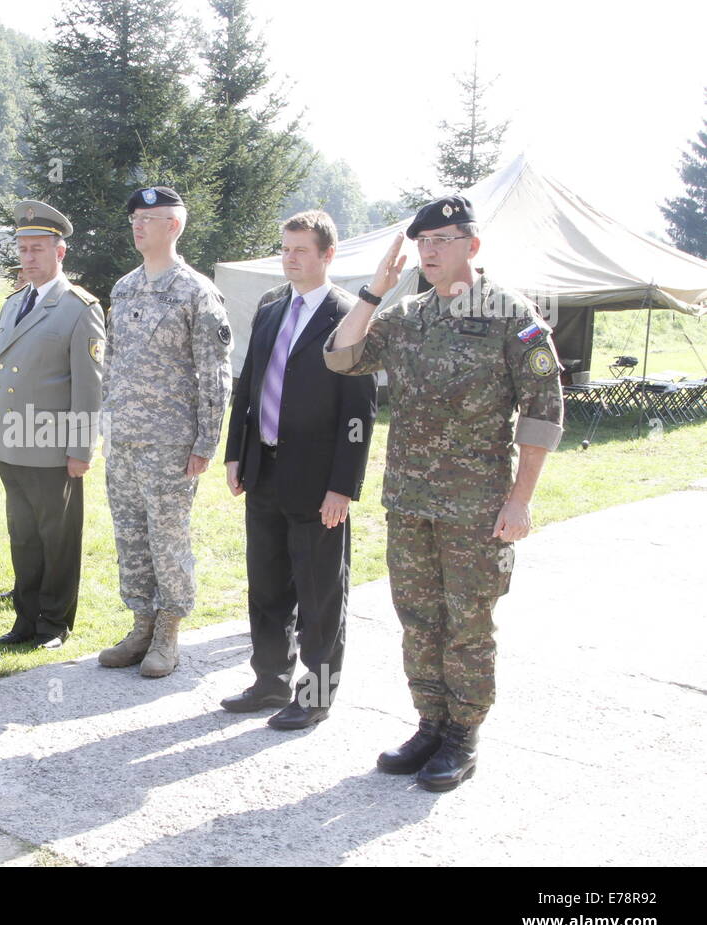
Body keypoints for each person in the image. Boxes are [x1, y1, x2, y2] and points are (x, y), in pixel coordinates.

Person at [324, 194, 564, 791]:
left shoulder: (513, 316)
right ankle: (430, 722)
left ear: (472, 246)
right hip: (409, 500)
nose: (430, 252)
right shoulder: (409, 316)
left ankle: (463, 735)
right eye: (423, 243)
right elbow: (340, 356)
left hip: (476, 505)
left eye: (443, 240)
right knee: (418, 618)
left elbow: (542, 413)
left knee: (468, 623)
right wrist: (374, 292)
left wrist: (520, 499)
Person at [221, 211, 376, 728]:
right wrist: (236, 452)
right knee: (266, 586)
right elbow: (248, 383)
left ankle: (316, 695)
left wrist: (343, 487)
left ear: (327, 255)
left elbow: (359, 411)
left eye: (301, 250)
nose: (289, 259)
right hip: (264, 469)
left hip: (317, 482)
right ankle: (270, 680)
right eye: (285, 249)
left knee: (320, 593)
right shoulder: (270, 308)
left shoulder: (348, 315)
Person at [96, 187, 232, 678]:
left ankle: (169, 631)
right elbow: (110, 362)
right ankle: (141, 624)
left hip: (171, 442)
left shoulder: (196, 291)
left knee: (167, 537)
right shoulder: (124, 287)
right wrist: (106, 424)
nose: (137, 225)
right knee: (129, 535)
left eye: (149, 218)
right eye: (134, 216)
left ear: (174, 226)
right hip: (126, 438)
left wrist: (206, 442)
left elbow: (215, 372)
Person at [0, 200, 104, 650]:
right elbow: (1, 378)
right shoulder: (14, 303)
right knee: (23, 536)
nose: (28, 257)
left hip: (53, 446)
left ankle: (54, 623)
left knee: (57, 539)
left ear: (60, 253)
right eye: (24, 249)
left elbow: (88, 387)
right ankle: (25, 618)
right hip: (14, 444)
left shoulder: (78, 307)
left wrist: (81, 449)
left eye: (37, 249)